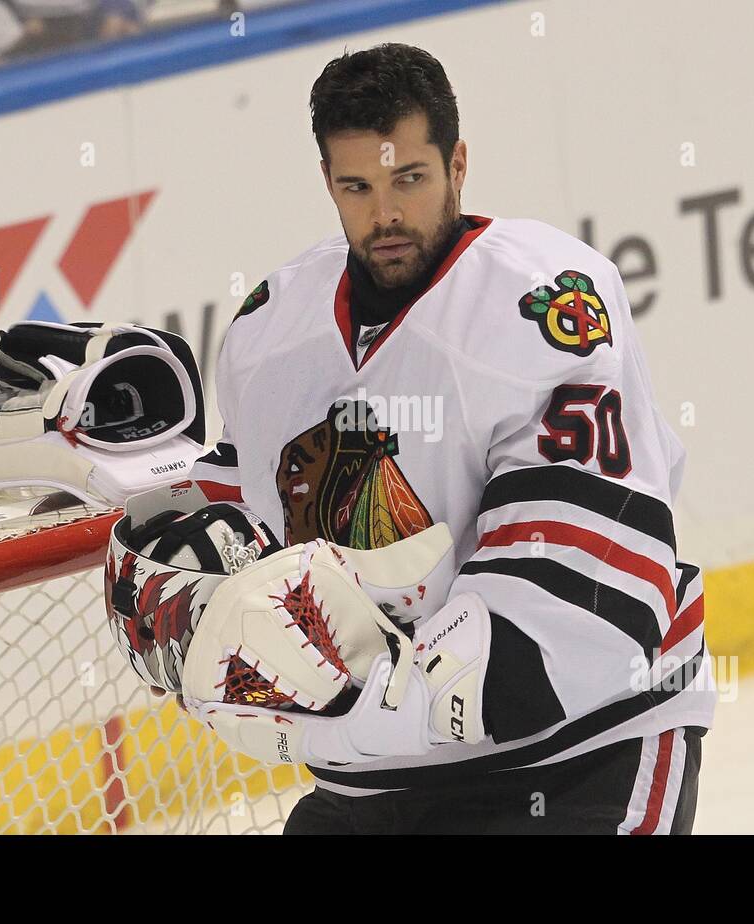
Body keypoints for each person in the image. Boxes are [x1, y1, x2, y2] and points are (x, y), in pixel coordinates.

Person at [185, 43, 715, 834]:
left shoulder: (542, 305)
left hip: (581, 754)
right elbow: (243, 522)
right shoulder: (271, 332)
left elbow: (581, 608)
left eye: (410, 180)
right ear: (327, 183)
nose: (386, 215)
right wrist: (169, 551)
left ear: (457, 163)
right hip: (374, 787)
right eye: (356, 187)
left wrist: (351, 707)